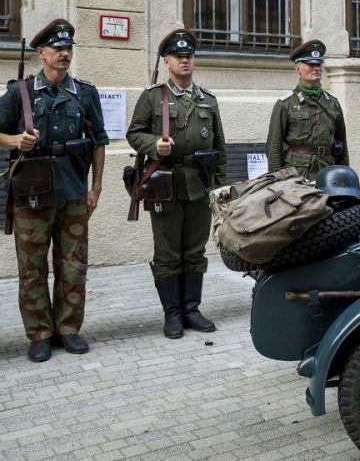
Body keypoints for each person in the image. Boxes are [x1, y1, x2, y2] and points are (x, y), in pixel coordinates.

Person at [0, 19, 109, 361]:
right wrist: (14, 140)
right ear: (41, 53)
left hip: (73, 191)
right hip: (31, 192)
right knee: (32, 267)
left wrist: (96, 188)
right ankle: (39, 334)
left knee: (74, 265)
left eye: (68, 48)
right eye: (57, 49)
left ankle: (68, 329)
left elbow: (99, 142)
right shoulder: (20, 92)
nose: (64, 54)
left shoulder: (85, 93)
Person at [127, 28, 227, 339]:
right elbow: (134, 133)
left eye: (189, 56)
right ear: (167, 61)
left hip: (199, 183)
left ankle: (191, 309)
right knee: (168, 252)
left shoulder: (207, 100)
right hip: (164, 184)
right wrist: (154, 145)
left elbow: (220, 147)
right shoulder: (153, 96)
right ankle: (172, 314)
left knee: (195, 250)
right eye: (179, 56)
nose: (185, 60)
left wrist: (221, 189)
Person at [265, 40, 348, 180]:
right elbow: (274, 147)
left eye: (319, 64)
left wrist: (344, 175)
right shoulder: (286, 104)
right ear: (297, 69)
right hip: (297, 173)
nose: (317, 68)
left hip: (327, 171)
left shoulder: (332, 102)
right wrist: (276, 179)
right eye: (311, 64)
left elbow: (342, 143)